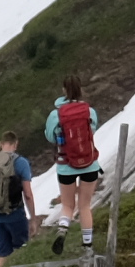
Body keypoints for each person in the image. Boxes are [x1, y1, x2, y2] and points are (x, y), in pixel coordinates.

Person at [45, 79, 106, 248]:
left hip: (66, 166)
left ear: (64, 90)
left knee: (67, 204)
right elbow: (91, 131)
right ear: (80, 89)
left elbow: (50, 137)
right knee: (84, 205)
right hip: (89, 163)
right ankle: (87, 244)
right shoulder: (90, 112)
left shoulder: (55, 115)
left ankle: (63, 229)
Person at [0, 131, 36, 264]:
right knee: (22, 251)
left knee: (2, 255)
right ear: (16, 144)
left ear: (1, 144)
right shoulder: (21, 162)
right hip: (15, 215)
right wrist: (33, 219)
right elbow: (28, 194)